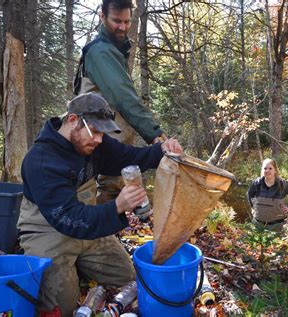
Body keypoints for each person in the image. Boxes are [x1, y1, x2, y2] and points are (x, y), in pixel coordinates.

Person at [17, 92, 182, 316]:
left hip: (88, 225)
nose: (99, 139)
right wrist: (117, 206)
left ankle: (80, 267)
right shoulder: (41, 160)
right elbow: (69, 219)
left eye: (102, 132)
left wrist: (161, 150)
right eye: (94, 131)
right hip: (48, 231)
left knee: (128, 277)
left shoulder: (93, 145)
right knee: (59, 308)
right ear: (73, 120)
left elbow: (129, 156)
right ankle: (68, 270)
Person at [74, 0, 169, 203]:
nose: (123, 27)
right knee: (104, 191)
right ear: (102, 16)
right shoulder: (101, 52)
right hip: (101, 137)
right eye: (117, 21)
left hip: (112, 137)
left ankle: (104, 233)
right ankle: (97, 233)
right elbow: (124, 97)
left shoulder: (113, 49)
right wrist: (155, 135)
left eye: (127, 22)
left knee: (113, 190)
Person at [247, 158, 288, 232]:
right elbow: (249, 194)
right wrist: (252, 207)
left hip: (277, 226)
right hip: (257, 225)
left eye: (270, 168)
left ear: (275, 170)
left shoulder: (283, 184)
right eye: (265, 168)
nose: (267, 171)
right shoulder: (256, 183)